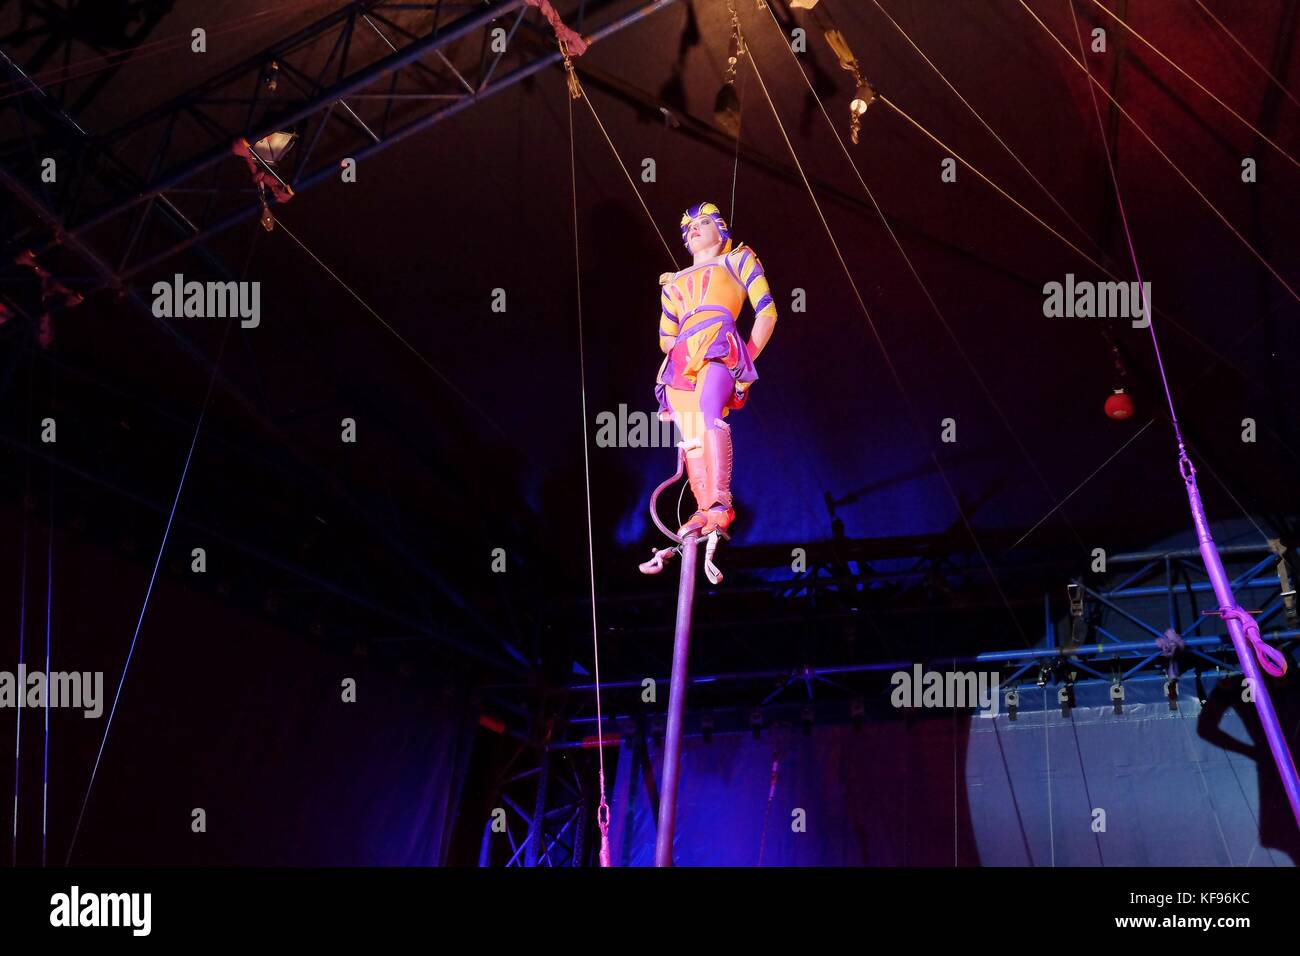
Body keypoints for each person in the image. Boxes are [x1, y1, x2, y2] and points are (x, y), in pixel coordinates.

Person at [654, 201, 777, 538]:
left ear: (720, 228)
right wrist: (677, 352)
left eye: (703, 222)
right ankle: (703, 506)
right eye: (688, 227)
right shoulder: (673, 282)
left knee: (710, 410)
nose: (693, 229)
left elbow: (767, 312)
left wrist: (745, 359)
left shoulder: (738, 259)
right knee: (690, 432)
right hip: (682, 355)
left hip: (719, 344)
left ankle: (721, 502)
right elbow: (666, 337)